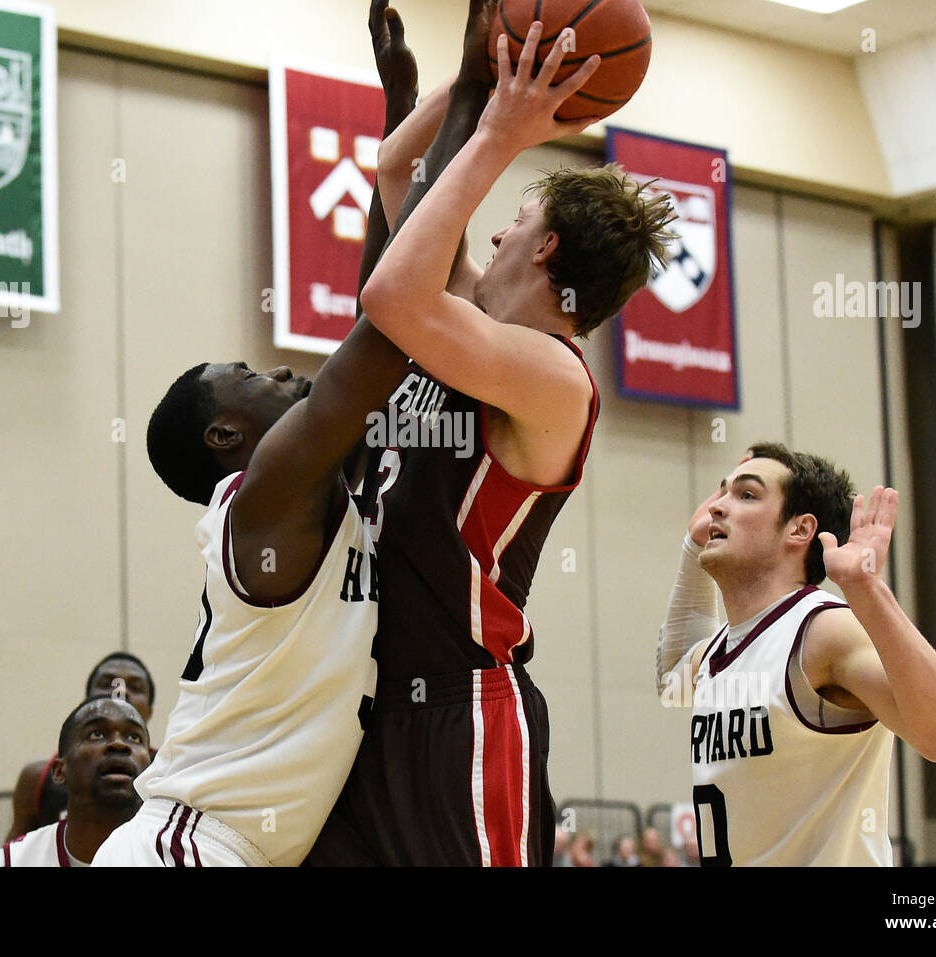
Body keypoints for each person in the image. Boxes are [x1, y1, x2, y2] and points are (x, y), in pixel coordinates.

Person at [93, 1, 487, 868]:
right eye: (254, 377)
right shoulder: (268, 490)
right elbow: (389, 325)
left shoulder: (303, 492)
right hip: (187, 846)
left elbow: (373, 311)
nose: (284, 372)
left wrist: (401, 121)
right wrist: (472, 107)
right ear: (230, 436)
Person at [307, 7, 674, 866]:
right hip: (370, 702)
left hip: (464, 716)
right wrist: (485, 77)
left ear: (543, 247)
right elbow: (399, 165)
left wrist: (504, 131)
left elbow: (391, 297)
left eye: (516, 215)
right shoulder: (470, 323)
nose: (497, 227)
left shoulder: (555, 377)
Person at [655, 443, 936, 865]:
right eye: (721, 492)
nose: (718, 507)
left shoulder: (823, 629)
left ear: (800, 530)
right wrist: (694, 547)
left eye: (746, 495)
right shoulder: (722, 648)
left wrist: (866, 588)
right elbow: (673, 677)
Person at [5, 651, 155, 841]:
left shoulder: (172, 778)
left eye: (134, 686)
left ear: (149, 711)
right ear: (87, 700)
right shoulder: (38, 777)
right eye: (107, 683)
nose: (121, 691)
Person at [0, 697, 151, 867]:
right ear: (59, 771)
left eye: (134, 737)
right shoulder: (13, 862)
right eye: (97, 734)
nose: (119, 744)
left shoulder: (174, 855)